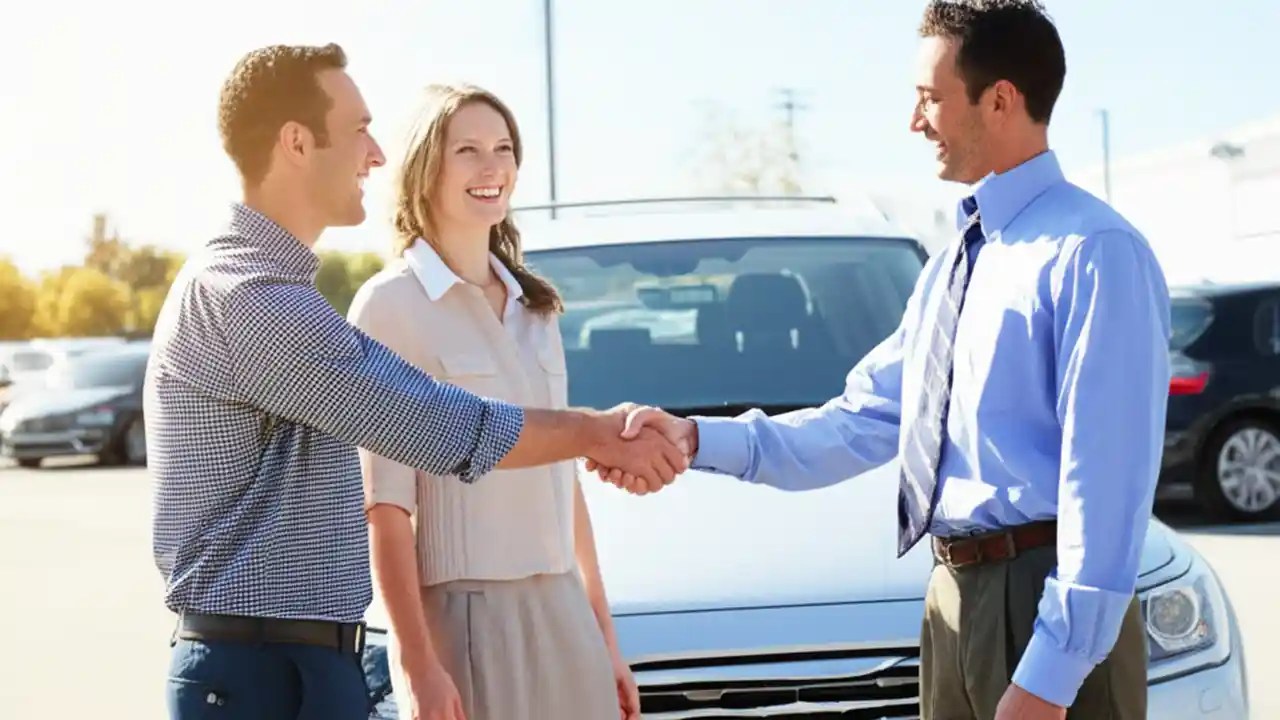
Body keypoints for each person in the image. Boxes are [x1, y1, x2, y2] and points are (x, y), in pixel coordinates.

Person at [597, 2, 1171, 718]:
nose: (914, 121)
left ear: (1000, 100)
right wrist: (694, 437)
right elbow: (855, 423)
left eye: (930, 98)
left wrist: (1049, 678)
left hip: (1042, 609)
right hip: (951, 601)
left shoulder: (1093, 253)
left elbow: (1106, 489)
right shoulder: (952, 268)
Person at [146, 44, 684, 720]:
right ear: (296, 143)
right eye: (358, 131)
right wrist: (599, 433)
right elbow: (435, 426)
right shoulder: (250, 298)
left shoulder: (283, 294)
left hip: (299, 661)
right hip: (260, 673)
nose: (375, 153)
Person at [347, 82, 639, 720]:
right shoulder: (390, 306)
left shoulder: (538, 309)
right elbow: (385, 508)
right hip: (466, 618)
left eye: (504, 149)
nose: (492, 168)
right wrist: (416, 662)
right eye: (469, 151)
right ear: (426, 169)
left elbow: (565, 478)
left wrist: (604, 638)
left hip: (564, 610)